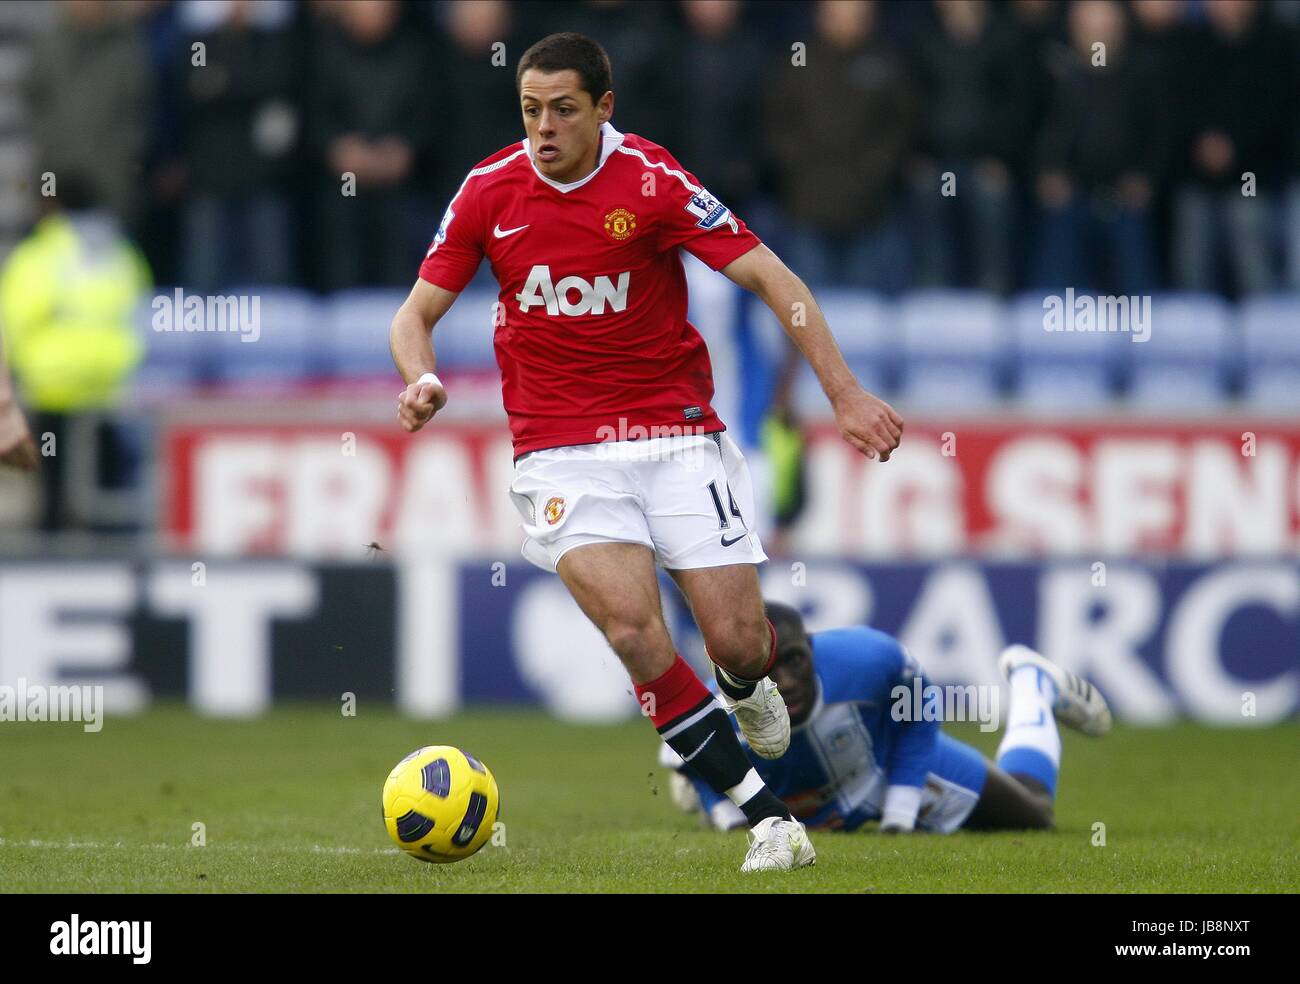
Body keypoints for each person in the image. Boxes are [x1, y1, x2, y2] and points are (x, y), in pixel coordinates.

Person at [389, 32, 903, 872]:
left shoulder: (653, 182)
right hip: (559, 449)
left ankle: (743, 681)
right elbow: (414, 315)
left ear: (604, 109)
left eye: (562, 110)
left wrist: (843, 393)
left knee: (735, 641)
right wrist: (420, 378)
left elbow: (776, 280)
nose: (543, 128)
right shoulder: (489, 192)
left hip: (671, 433)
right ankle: (768, 819)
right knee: (635, 633)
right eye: (529, 111)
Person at [662, 602, 1111, 834]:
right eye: (770, 668)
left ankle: (1034, 684)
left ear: (813, 650)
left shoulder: (868, 659)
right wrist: (727, 817)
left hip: (887, 762)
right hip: (817, 796)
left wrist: (899, 812)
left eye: (796, 661)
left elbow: (919, 711)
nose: (788, 681)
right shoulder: (717, 703)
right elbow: (690, 759)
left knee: (1035, 815)